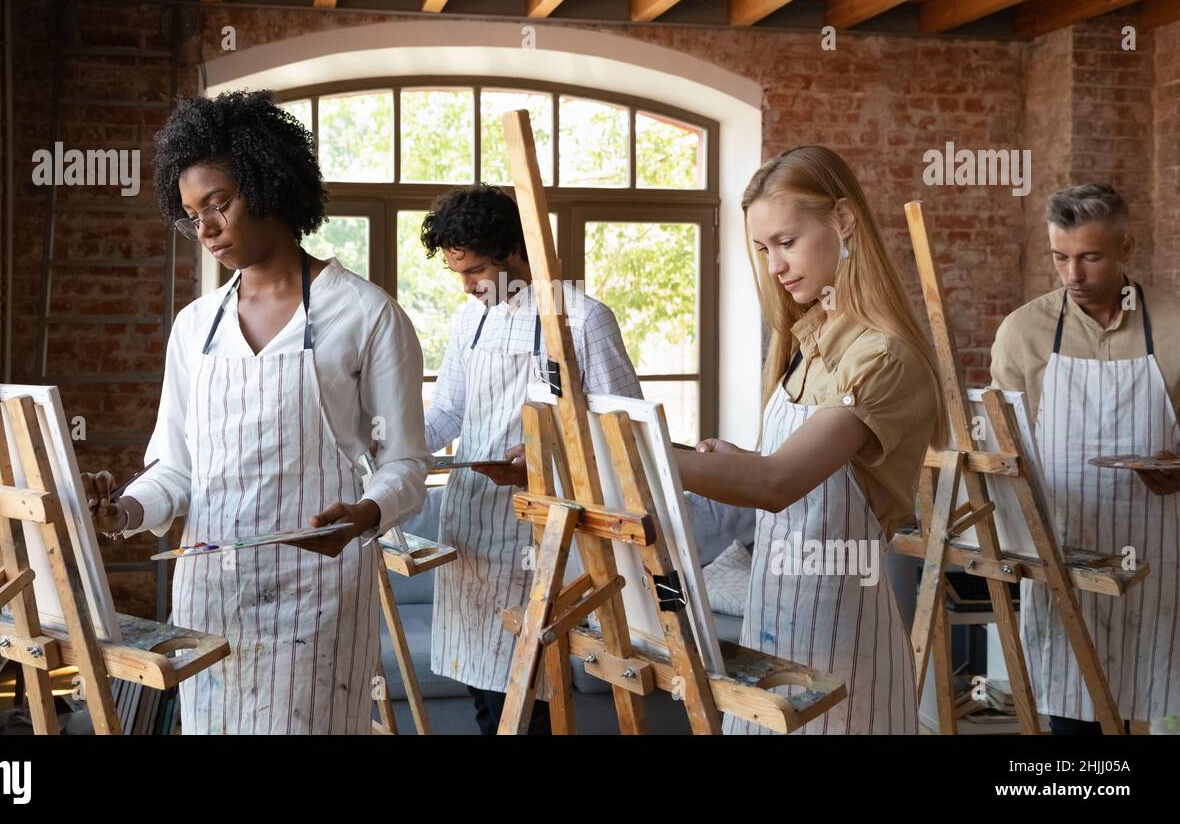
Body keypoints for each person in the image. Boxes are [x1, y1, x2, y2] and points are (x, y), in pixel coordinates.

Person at [80, 90, 429, 734]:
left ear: (271, 186)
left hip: (318, 596)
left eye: (220, 204)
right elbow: (176, 469)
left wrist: (366, 513)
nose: (207, 229)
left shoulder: (365, 314)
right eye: (191, 215)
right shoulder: (195, 328)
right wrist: (124, 511)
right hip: (211, 598)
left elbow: (406, 462)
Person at [674, 145, 944, 734]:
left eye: (786, 242)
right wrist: (737, 460)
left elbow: (777, 484)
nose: (774, 265)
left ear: (844, 222)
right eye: (763, 249)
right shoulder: (807, 344)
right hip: (776, 611)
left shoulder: (883, 357)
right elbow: (785, 470)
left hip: (841, 625)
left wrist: (634, 453)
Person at [419, 184, 641, 734]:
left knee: (526, 696)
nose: (467, 287)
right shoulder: (468, 322)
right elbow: (446, 413)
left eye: (474, 272)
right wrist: (391, 446)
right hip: (470, 525)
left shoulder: (581, 318)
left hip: (537, 532)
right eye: (458, 275)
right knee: (482, 691)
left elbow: (625, 429)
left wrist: (547, 455)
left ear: (512, 251)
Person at [990, 183, 1180, 734]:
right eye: (1060, 257)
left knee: (1142, 704)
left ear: (1127, 245)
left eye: (1091, 257)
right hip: (1059, 549)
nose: (1073, 274)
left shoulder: (1171, 325)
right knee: (1070, 713)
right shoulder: (1023, 332)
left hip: (1153, 551)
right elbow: (1001, 446)